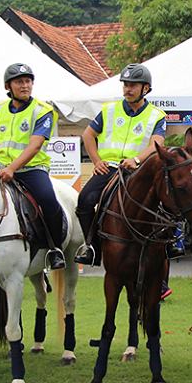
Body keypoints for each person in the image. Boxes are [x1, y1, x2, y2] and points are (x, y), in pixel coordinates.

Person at [75, 63, 167, 266]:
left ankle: (168, 246)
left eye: (133, 85)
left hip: (139, 170)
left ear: (146, 88)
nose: (128, 89)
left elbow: (157, 143)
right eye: (125, 84)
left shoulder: (157, 116)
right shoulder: (109, 110)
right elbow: (88, 135)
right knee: (85, 200)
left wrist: (137, 160)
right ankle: (92, 247)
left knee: (165, 204)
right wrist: (97, 161)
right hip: (109, 169)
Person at [0, 63, 66, 270]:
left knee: (48, 200)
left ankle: (55, 249)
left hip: (32, 170)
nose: (25, 86)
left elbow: (35, 146)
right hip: (0, 169)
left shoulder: (43, 111)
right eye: (19, 82)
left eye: (28, 81)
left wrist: (12, 168)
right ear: (8, 86)